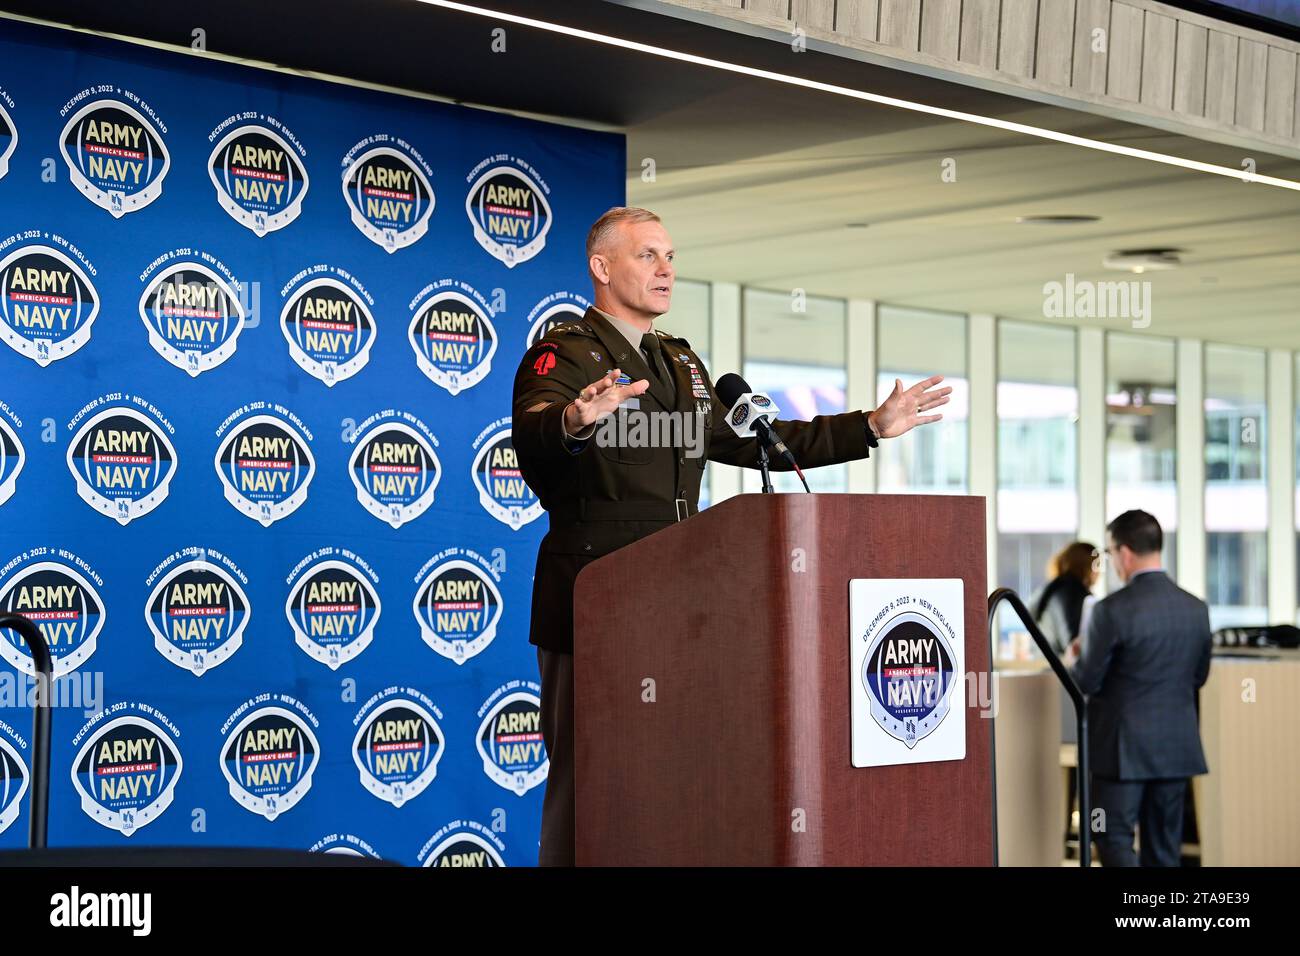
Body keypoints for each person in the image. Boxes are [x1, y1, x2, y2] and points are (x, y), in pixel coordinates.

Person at [511, 206, 950, 866]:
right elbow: (535, 437)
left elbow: (753, 441)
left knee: (671, 780)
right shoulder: (565, 353)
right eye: (647, 256)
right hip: (593, 606)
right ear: (601, 268)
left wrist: (869, 426)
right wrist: (573, 421)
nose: (666, 270)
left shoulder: (682, 363)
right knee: (591, 779)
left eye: (671, 257)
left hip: (679, 607)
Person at [1066, 510, 1212, 867]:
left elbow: (1086, 680)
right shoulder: (1196, 609)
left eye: (1111, 553)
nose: (1112, 562)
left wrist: (1074, 658)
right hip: (1176, 749)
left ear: (1125, 553)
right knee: (1164, 847)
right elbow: (1199, 676)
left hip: (1121, 753)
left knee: (1110, 836)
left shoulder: (1110, 610)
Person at [1030, 541, 1099, 655]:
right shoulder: (1071, 592)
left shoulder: (1054, 588)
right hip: (1062, 667)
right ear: (1085, 565)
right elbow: (1073, 644)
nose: (1098, 572)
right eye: (1097, 565)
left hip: (1048, 664)